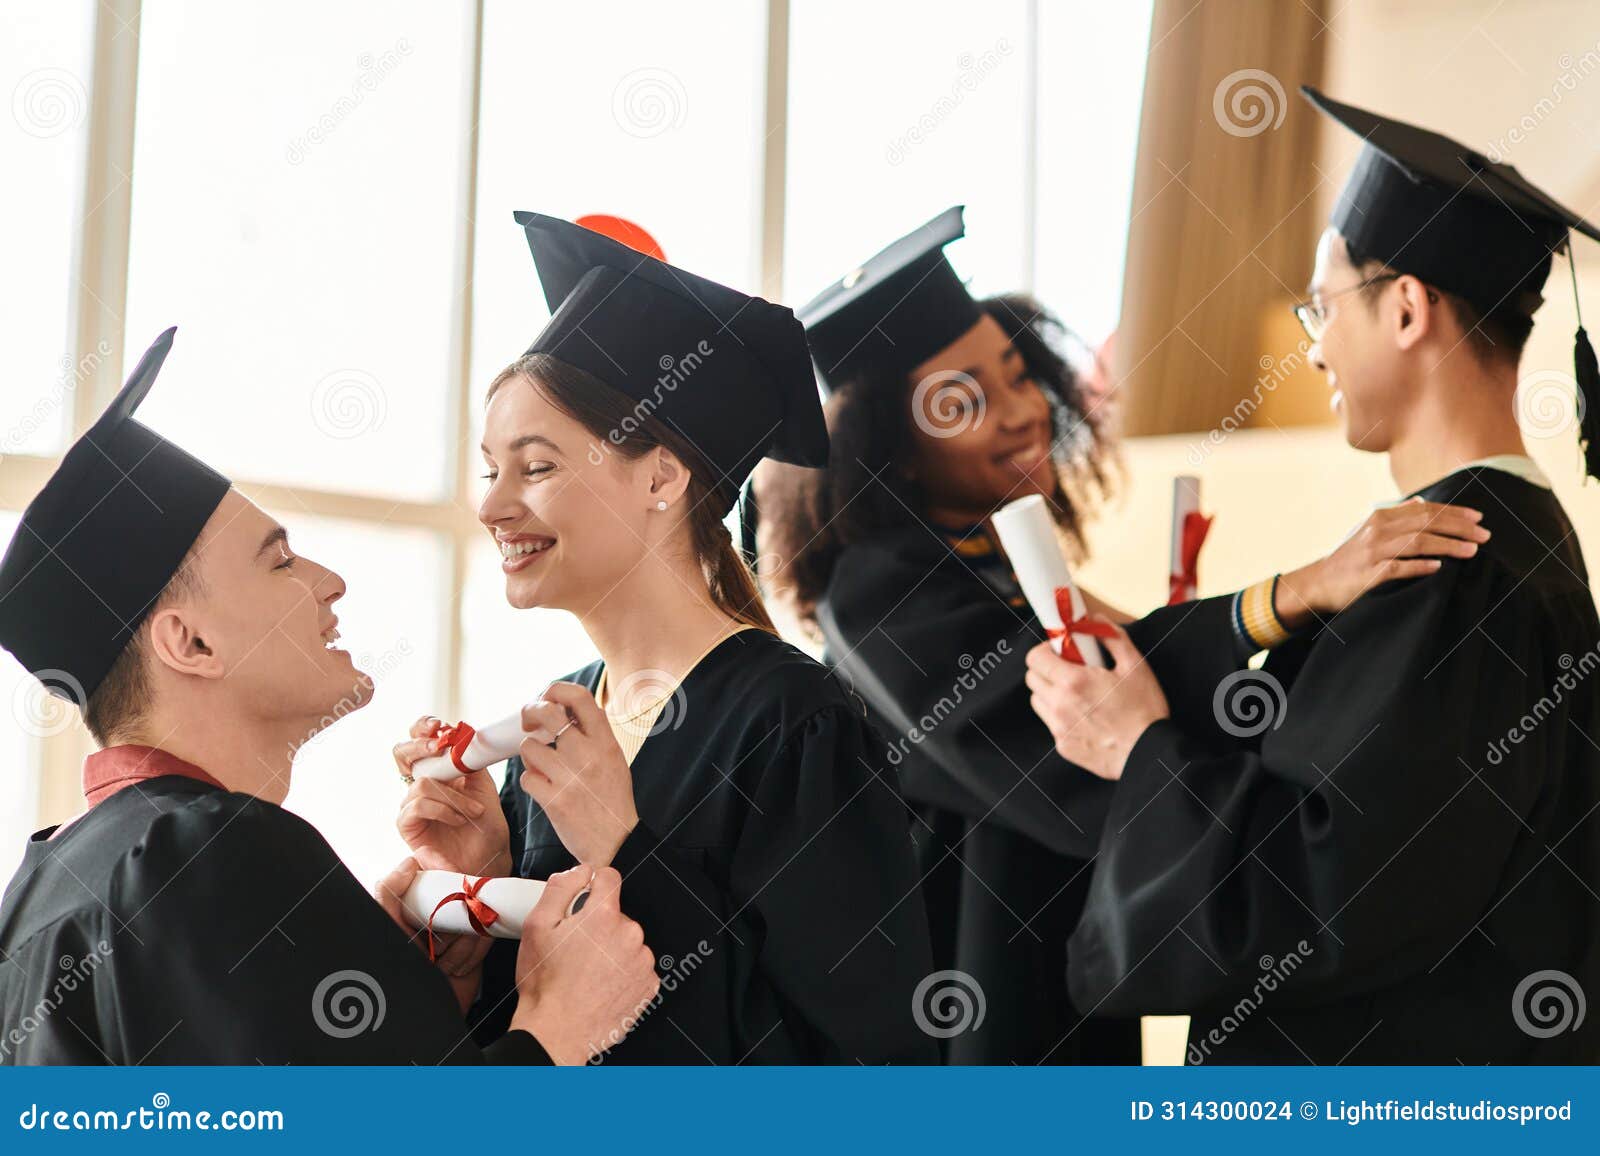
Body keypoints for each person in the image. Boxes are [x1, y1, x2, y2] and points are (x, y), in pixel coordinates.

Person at [758, 206, 1490, 1064]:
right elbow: (1074, 715)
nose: (1020, 411)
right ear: (897, 448)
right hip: (981, 1014)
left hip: (1071, 993)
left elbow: (1126, 690)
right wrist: (1290, 595)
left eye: (1016, 374)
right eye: (964, 400)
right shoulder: (882, 599)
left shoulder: (987, 563)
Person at [1029, 88, 1600, 1063]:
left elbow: (1329, 891)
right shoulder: (1515, 537)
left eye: (1321, 305)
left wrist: (1142, 754)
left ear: (1408, 309)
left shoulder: (1444, 569)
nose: (1312, 340)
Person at [0, 329, 659, 1065]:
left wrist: (415, 991)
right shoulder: (215, 851)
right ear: (192, 646)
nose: (328, 580)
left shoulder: (41, 886)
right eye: (278, 561)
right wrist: (555, 1030)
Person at [392, 214, 938, 1065]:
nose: (493, 506)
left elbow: (867, 1070)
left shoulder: (794, 724)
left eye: (535, 467)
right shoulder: (555, 732)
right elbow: (544, 1039)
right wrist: (487, 892)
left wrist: (624, 846)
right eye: (490, 468)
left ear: (660, 475)